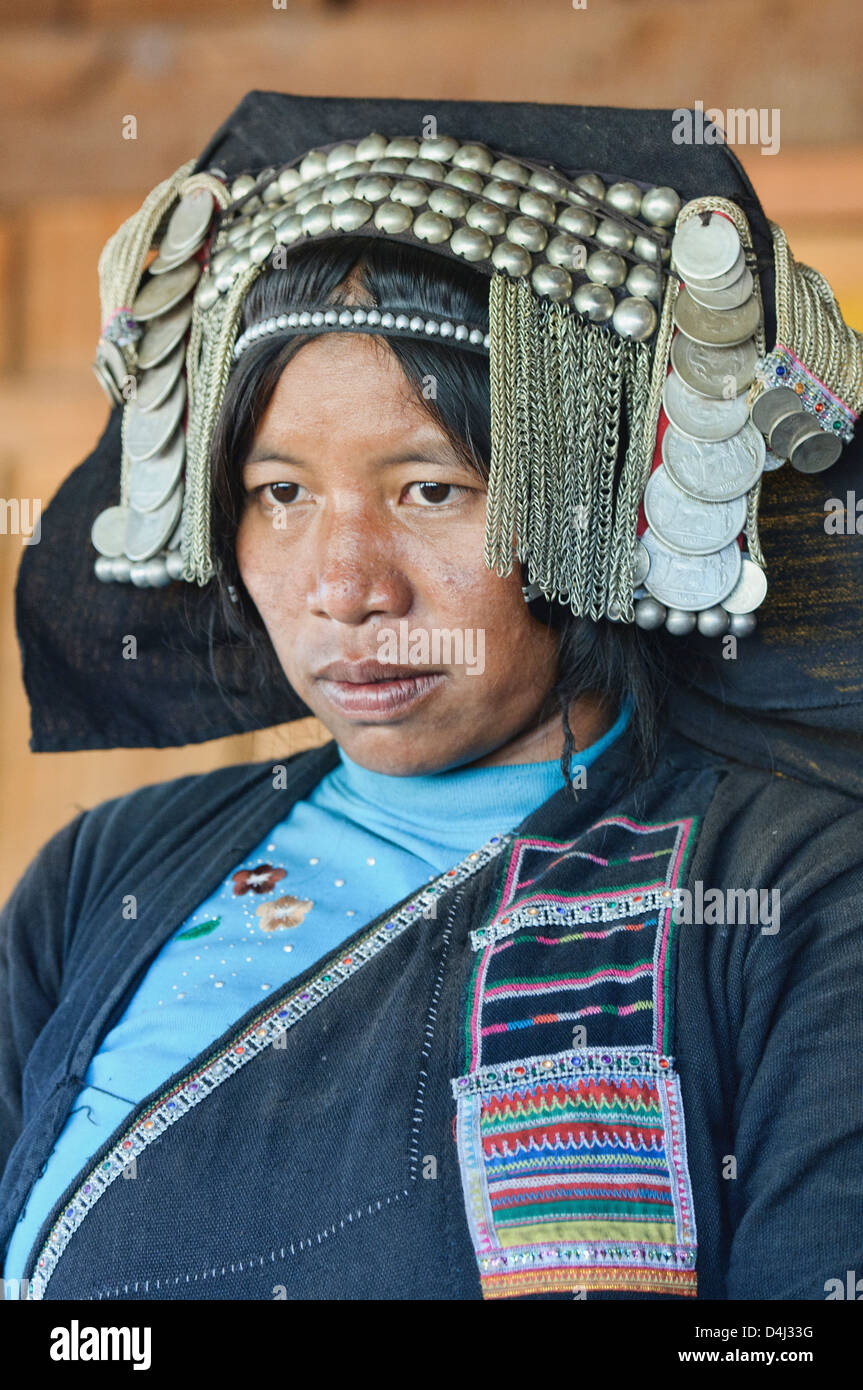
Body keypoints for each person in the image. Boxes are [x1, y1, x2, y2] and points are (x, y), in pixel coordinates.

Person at [1, 92, 862, 1302]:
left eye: (429, 489)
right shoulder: (104, 873)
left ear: (596, 504)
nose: (343, 586)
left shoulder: (792, 895)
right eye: (280, 494)